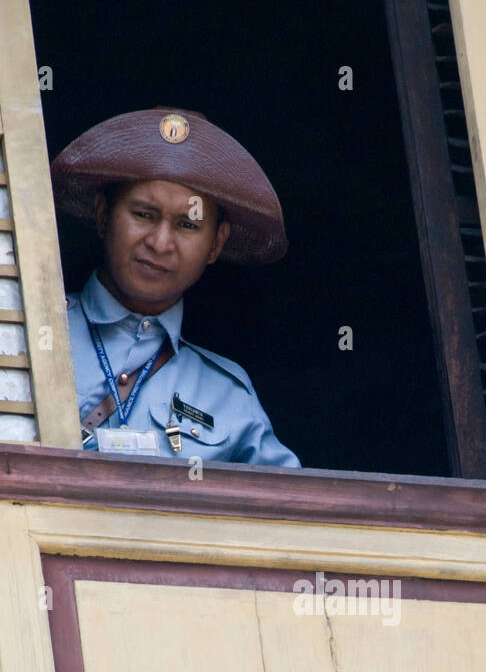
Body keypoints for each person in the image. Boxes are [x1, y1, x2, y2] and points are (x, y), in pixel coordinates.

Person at [49, 107, 300, 466]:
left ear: (216, 243)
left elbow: (291, 512)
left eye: (187, 225)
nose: (161, 243)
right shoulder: (33, 331)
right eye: (143, 215)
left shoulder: (228, 394)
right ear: (104, 214)